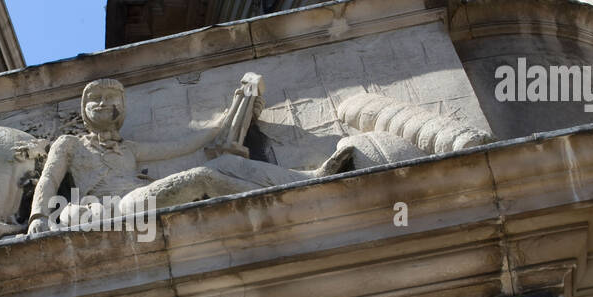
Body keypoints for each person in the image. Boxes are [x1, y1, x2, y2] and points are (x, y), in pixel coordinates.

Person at [26, 75, 351, 235]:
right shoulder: (69, 144)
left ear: (121, 109)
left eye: (110, 98)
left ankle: (308, 178)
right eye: (94, 99)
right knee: (202, 177)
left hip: (137, 199)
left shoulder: (130, 148)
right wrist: (38, 218)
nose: (101, 103)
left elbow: (184, 145)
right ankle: (279, 201)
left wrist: (227, 118)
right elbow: (49, 179)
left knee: (227, 162)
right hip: (113, 209)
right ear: (83, 110)